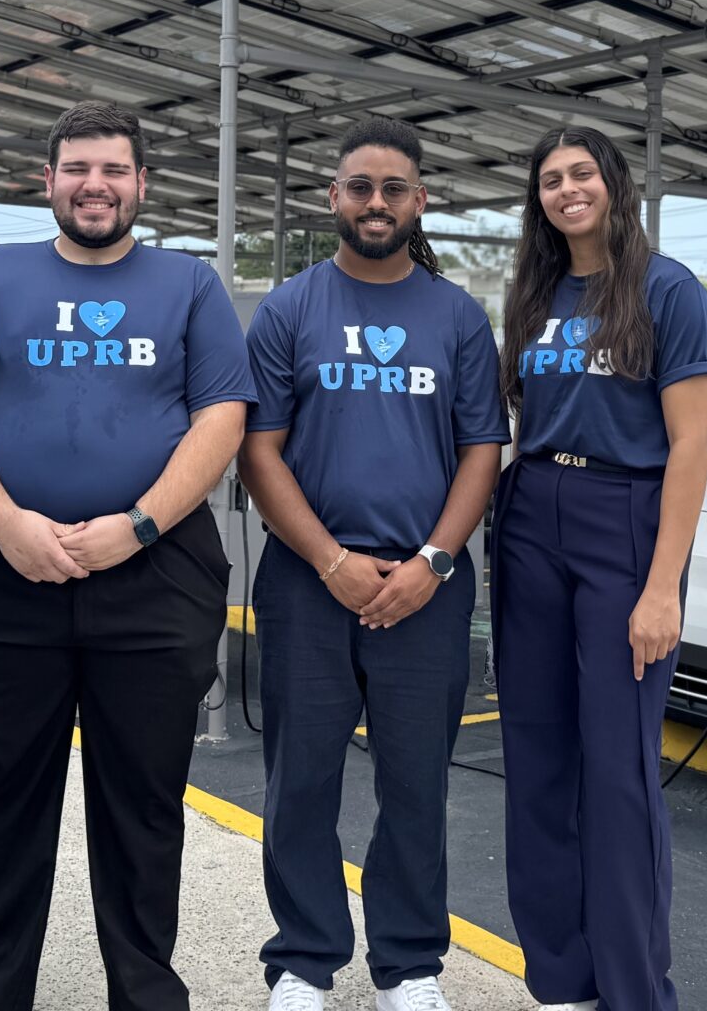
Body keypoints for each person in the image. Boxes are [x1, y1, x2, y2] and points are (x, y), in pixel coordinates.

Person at [0, 100, 253, 1011]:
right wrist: (6, 524)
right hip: (2, 575)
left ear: (142, 184)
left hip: (155, 575)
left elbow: (222, 416)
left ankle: (145, 994)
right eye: (77, 169)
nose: (94, 185)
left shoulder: (190, 284)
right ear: (48, 180)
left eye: (113, 170)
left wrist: (137, 525)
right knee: (4, 801)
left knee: (143, 805)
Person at [239, 116, 505, 1011]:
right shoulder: (289, 309)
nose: (377, 202)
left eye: (394, 189)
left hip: (427, 588)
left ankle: (410, 965)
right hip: (308, 583)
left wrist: (434, 561)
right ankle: (303, 961)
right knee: (300, 780)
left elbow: (481, 450)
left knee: (417, 782)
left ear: (419, 201)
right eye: (360, 187)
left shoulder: (457, 316)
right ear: (334, 198)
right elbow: (259, 451)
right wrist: (328, 561)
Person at [493, 128, 707, 1011]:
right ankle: (561, 983)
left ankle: (634, 991)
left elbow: (691, 445)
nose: (566, 189)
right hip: (532, 512)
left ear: (614, 184)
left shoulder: (667, 289)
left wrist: (662, 588)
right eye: (550, 179)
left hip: (624, 517)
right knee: (536, 756)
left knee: (618, 769)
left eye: (581, 173)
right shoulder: (534, 292)